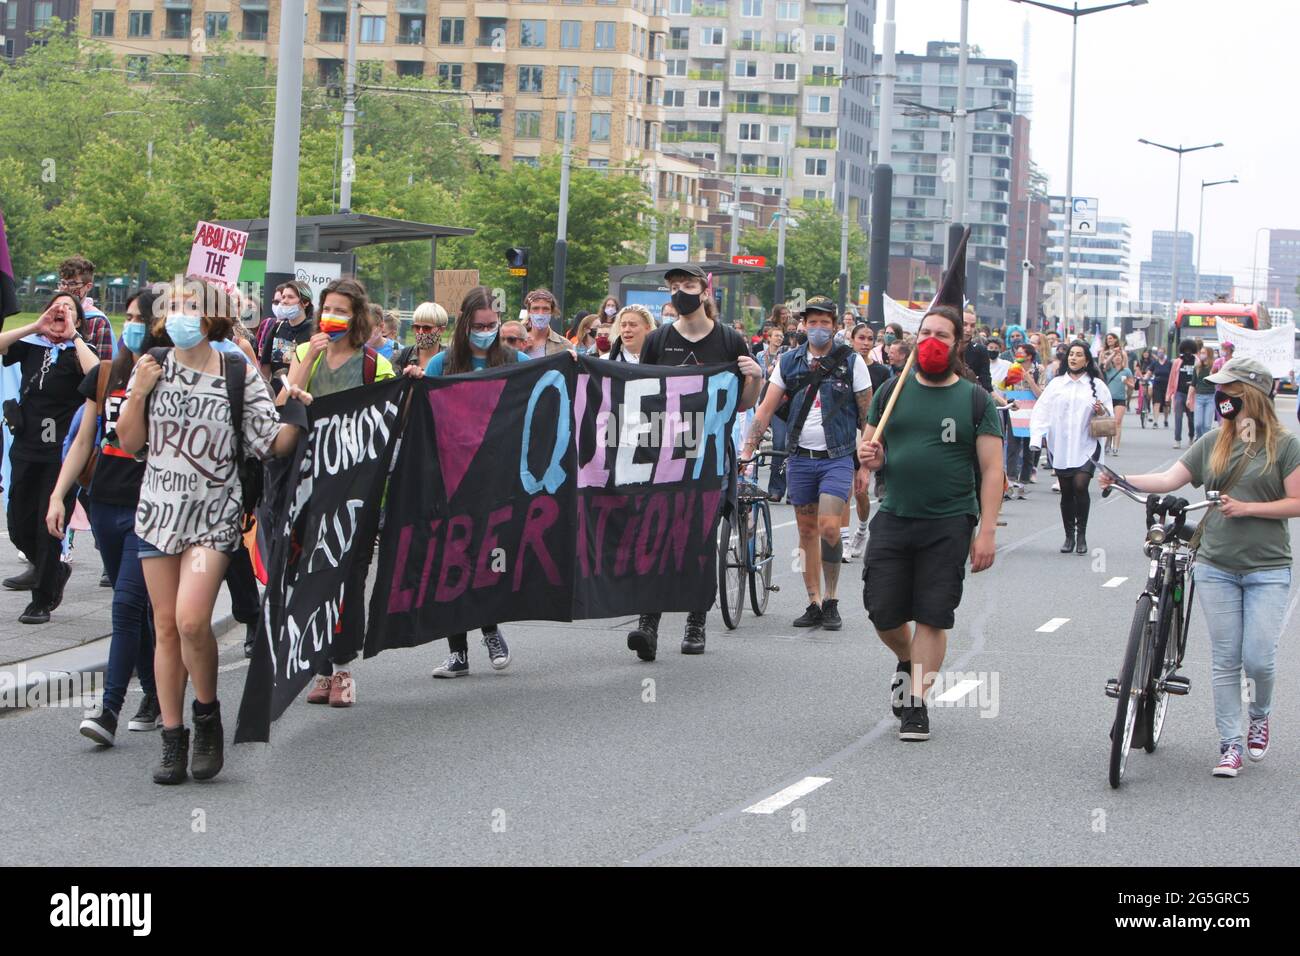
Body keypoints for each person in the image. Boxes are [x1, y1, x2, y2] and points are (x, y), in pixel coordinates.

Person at [115, 280, 312, 785]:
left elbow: (273, 442)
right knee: (163, 626)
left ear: (212, 315)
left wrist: (296, 404)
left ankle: (207, 716)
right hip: (158, 514)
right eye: (173, 305)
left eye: (191, 305)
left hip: (214, 516)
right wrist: (138, 390)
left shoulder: (236, 371)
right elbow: (130, 440)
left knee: (190, 620)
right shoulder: (152, 364)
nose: (180, 314)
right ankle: (173, 737)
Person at [1100, 357, 1300, 776]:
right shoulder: (1213, 440)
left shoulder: (1286, 445)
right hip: (1215, 565)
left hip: (1268, 569)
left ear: (1252, 395)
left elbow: (1297, 502)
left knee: (1259, 658)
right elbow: (1171, 478)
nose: (1220, 397)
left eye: (1229, 390)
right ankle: (1229, 744)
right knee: (1226, 658)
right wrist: (1122, 479)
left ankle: (1259, 715)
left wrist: (1248, 508)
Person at [857, 305, 1004, 741]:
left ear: (957, 343)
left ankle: (915, 702)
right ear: (914, 340)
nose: (932, 341)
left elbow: (994, 470)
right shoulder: (890, 392)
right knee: (882, 611)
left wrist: (988, 531)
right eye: (926, 333)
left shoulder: (974, 398)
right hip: (896, 514)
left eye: (942, 334)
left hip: (950, 520)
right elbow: (871, 449)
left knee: (932, 615)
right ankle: (908, 661)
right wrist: (870, 458)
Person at [47, 289, 168, 744]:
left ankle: (109, 709)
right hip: (104, 504)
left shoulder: (171, 376)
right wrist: (60, 495)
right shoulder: (104, 374)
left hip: (151, 507)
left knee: (125, 608)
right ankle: (157, 692)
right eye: (128, 316)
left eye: (140, 317)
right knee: (135, 609)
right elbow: (83, 440)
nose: (130, 324)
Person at [625, 264, 763, 660]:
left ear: (705, 291)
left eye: (688, 285)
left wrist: (753, 377)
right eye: (673, 286)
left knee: (698, 538)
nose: (680, 292)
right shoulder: (658, 340)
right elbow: (642, 393)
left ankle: (695, 621)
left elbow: (743, 402)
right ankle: (647, 623)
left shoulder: (729, 340)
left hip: (710, 455)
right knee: (655, 535)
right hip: (664, 453)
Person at [286, 279, 398, 707]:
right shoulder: (304, 355)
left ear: (357, 318)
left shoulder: (374, 366)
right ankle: (319, 666)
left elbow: (389, 417)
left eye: (341, 310)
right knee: (311, 574)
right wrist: (308, 358)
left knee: (349, 576)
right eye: (326, 309)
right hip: (310, 486)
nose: (331, 316)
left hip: (358, 491)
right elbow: (285, 403)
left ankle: (343, 668)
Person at [742, 297, 873, 630]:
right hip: (800, 458)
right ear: (804, 325)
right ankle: (813, 600)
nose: (817, 328)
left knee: (830, 527)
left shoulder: (851, 362)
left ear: (834, 325)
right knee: (806, 532)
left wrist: (865, 464)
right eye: (812, 322)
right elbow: (766, 409)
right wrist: (747, 449)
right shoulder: (789, 361)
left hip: (837, 458)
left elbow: (866, 415)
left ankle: (831, 599)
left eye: (824, 322)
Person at [425, 287, 528, 678]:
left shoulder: (515, 360)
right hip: (452, 477)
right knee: (452, 562)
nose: (486, 331)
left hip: (498, 479)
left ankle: (489, 629)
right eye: (479, 325)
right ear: (464, 323)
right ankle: (458, 653)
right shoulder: (442, 364)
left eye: (492, 325)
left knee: (488, 560)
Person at [0, 293, 101, 623]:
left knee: (49, 529)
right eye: (56, 308)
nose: (61, 313)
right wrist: (36, 325)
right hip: (26, 447)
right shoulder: (31, 345)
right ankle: (52, 570)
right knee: (18, 523)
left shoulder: (78, 352)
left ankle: (41, 600)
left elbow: (98, 375)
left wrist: (73, 335)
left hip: (62, 454)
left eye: (69, 309)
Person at [1029, 341, 1112, 555]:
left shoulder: (1097, 385)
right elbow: (1041, 411)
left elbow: (1109, 416)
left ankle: (1081, 534)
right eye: (1071, 354)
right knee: (1066, 491)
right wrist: (1036, 439)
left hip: (1087, 444)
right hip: (1062, 446)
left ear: (1087, 359)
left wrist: (1100, 410)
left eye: (1078, 354)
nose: (1073, 358)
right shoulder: (1057, 385)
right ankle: (1069, 536)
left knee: (1081, 485)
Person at [57, 255, 114, 360]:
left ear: (88, 287)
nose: (65, 288)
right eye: (63, 283)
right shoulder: (52, 315)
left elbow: (104, 366)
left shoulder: (97, 321)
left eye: (72, 284)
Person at [258, 280, 315, 383]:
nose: (284, 301)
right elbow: (265, 366)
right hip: (276, 393)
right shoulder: (277, 328)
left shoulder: (314, 331)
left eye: (290, 297)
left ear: (305, 302)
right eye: (283, 297)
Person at [394, 301, 448, 371]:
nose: (420, 332)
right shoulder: (401, 356)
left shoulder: (452, 359)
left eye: (427, 328)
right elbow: (390, 380)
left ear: (441, 330)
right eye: (417, 327)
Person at [1102, 342, 1135, 455]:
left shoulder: (1127, 371)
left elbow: (1133, 385)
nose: (1117, 358)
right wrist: (1114, 352)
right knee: (1108, 423)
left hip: (1120, 399)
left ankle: (1115, 447)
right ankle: (1106, 443)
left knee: (1118, 422)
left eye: (1119, 356)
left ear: (1122, 359)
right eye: (1116, 357)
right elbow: (1105, 364)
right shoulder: (1109, 369)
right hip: (1109, 399)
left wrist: (1127, 382)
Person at [1167, 338, 1199, 448]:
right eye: (1185, 350)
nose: (1187, 352)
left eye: (1190, 350)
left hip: (1192, 393)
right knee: (1178, 417)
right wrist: (1169, 394)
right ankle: (1177, 440)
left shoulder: (1197, 361)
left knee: (1191, 418)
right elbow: (1172, 377)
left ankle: (1191, 436)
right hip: (1179, 393)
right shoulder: (1177, 362)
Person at [1192, 345, 1218, 439]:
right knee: (1198, 424)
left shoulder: (1214, 367)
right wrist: (1189, 398)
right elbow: (1193, 384)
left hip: (1210, 397)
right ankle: (1198, 439)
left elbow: (1218, 382)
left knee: (1207, 425)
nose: (1201, 355)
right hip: (1199, 397)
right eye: (1201, 353)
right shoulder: (1197, 367)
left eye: (1203, 353)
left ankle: (1204, 443)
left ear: (1209, 354)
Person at [1150, 346, 1172, 427]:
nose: (1160, 354)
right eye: (1159, 352)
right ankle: (1155, 421)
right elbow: (1149, 372)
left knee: (1166, 404)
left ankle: (1165, 419)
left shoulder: (1169, 363)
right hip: (1157, 385)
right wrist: (1144, 378)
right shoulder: (1155, 363)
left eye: (1162, 352)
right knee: (1156, 402)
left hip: (1166, 385)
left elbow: (1173, 375)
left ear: (1164, 353)